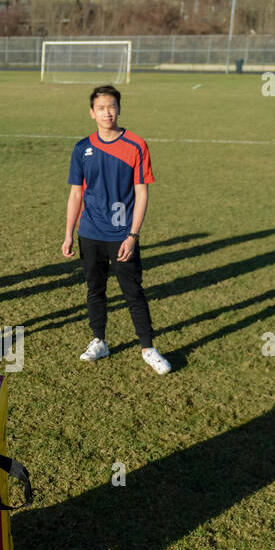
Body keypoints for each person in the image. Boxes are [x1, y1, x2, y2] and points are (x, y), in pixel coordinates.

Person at [61, 85, 171, 375]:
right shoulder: (81, 148)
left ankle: (148, 347)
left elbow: (142, 193)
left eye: (111, 107)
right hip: (90, 233)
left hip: (122, 236)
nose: (106, 112)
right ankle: (99, 340)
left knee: (133, 291)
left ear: (119, 109)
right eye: (100, 108)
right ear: (91, 113)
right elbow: (75, 194)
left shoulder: (136, 145)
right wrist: (69, 233)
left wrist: (132, 235)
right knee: (95, 289)